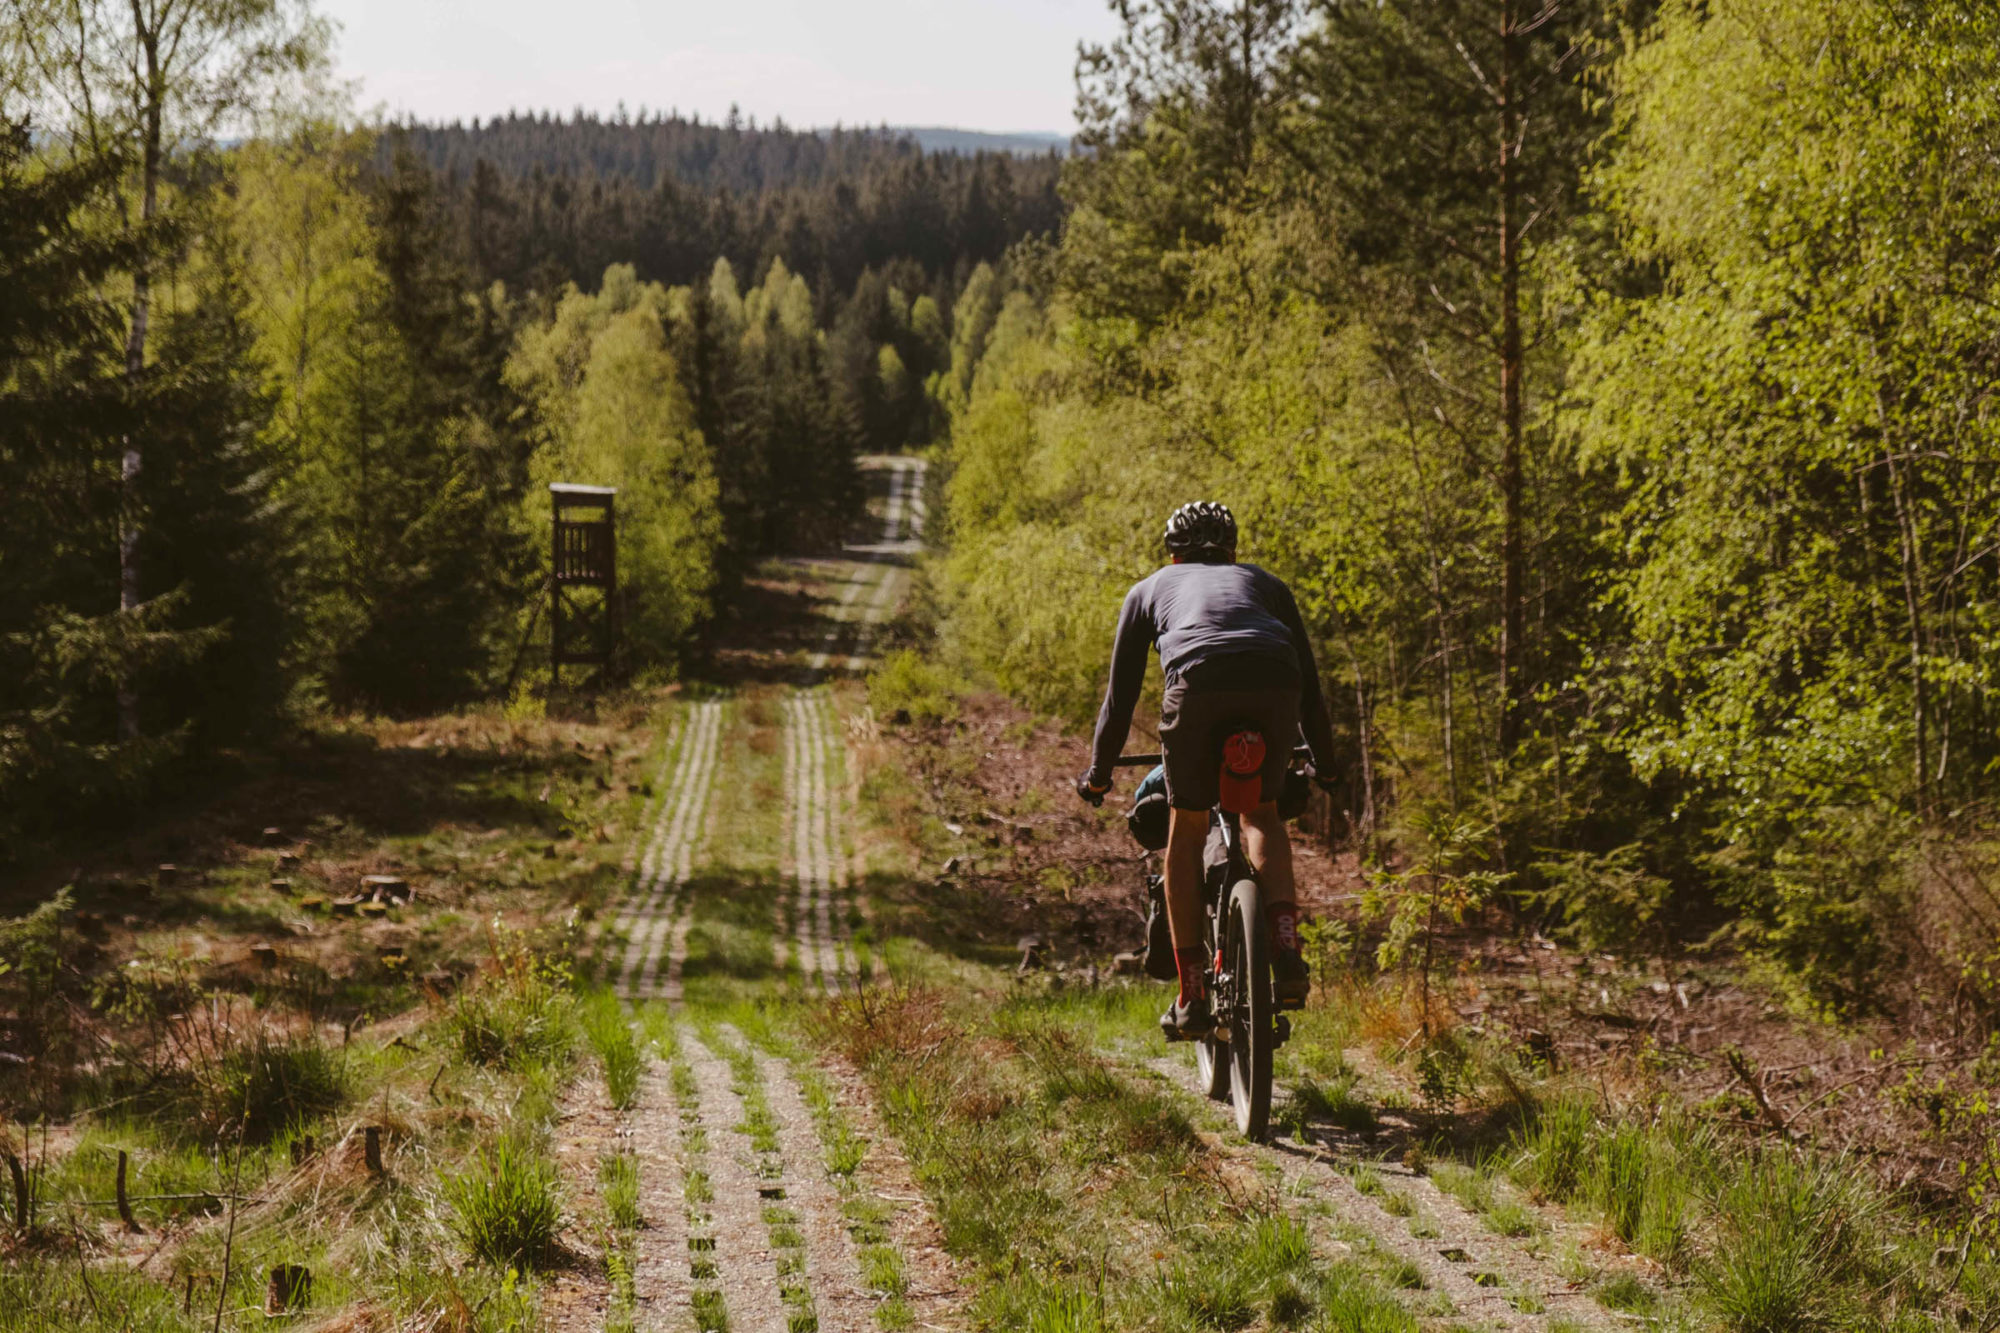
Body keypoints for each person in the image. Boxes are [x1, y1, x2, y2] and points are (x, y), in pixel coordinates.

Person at [1075, 501, 1337, 1039]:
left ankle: (1192, 990)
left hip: (1196, 685)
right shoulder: (1266, 585)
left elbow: (1119, 700)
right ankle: (1286, 949)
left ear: (1172, 553)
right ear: (1233, 551)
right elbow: (1310, 690)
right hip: (1274, 682)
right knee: (1262, 814)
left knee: (1187, 828)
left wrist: (1099, 773)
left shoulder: (1149, 589)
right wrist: (1328, 765)